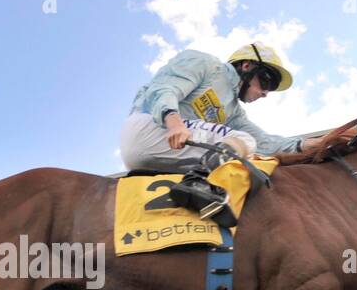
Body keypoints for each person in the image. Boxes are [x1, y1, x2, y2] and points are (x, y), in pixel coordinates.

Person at [121, 43, 301, 227]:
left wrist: (305, 145)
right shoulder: (206, 64)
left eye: (271, 89)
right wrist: (174, 122)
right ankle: (197, 183)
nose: (265, 93)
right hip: (150, 128)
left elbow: (265, 142)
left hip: (166, 151)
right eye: (266, 81)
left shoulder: (234, 113)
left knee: (247, 149)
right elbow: (162, 89)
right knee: (244, 140)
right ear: (246, 66)